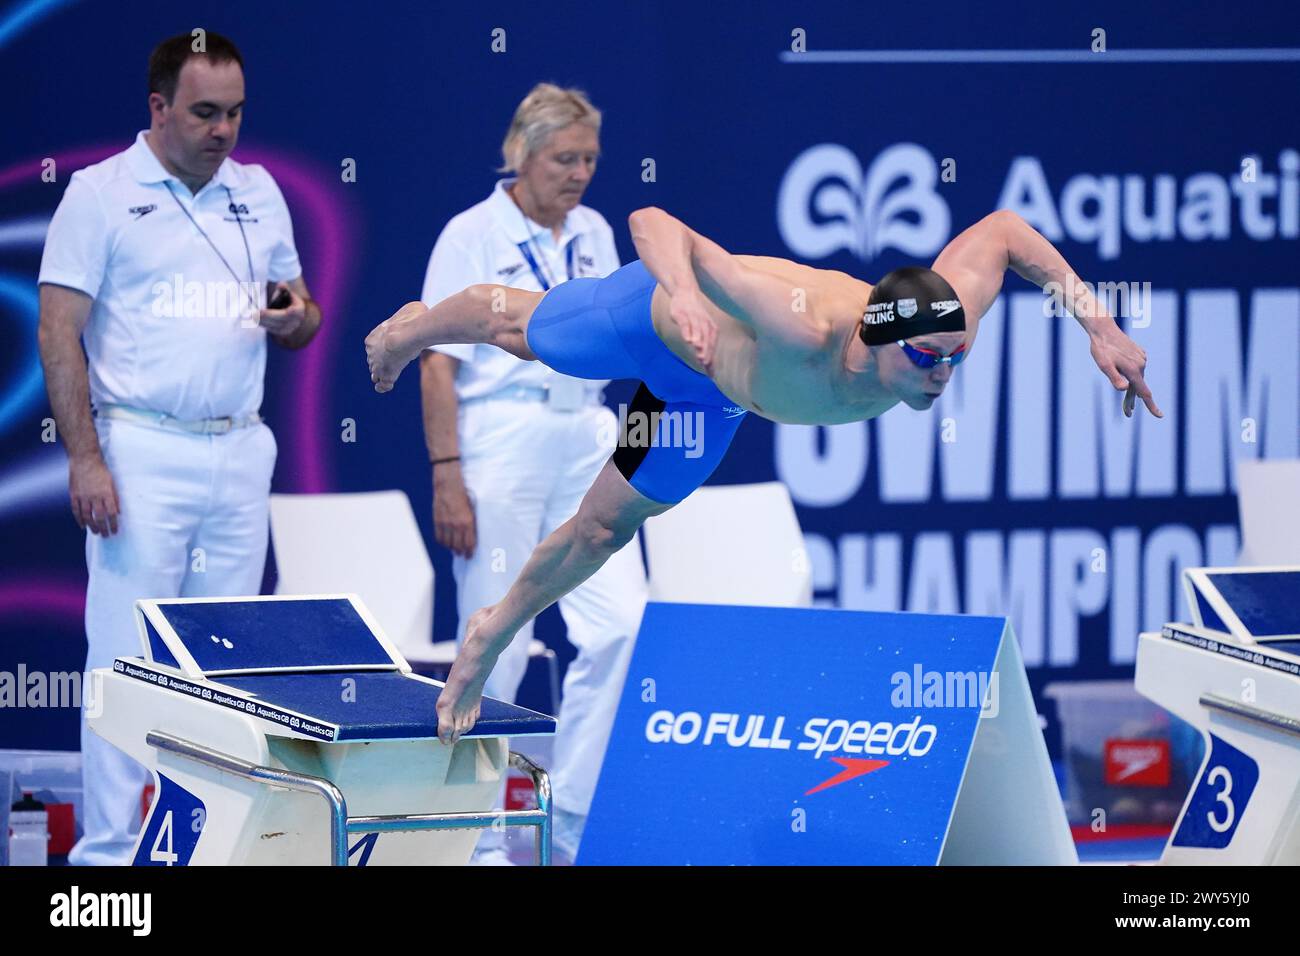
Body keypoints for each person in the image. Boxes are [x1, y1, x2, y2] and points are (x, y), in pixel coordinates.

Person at [365, 205, 1160, 743]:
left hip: (697, 405)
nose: (943, 372)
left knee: (605, 527)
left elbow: (1006, 231)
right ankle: (410, 330)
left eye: (957, 355)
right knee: (520, 330)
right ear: (876, 340)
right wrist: (682, 294)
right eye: (926, 357)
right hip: (655, 324)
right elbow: (652, 221)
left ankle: (490, 632)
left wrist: (1101, 325)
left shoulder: (943, 317)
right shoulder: (795, 318)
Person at [37, 32, 320, 864]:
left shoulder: (260, 191)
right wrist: (86, 458)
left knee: (220, 667)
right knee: (125, 659)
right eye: (204, 112)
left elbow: (300, 309)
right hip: (141, 451)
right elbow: (59, 332)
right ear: (157, 107)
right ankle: (106, 856)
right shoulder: (99, 193)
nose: (222, 129)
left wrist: (292, 316)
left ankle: (201, 845)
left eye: (234, 113)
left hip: (240, 451)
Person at [417, 83, 646, 863]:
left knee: (622, 626)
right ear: (522, 154)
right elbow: (436, 364)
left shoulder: (596, 231)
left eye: (589, 159)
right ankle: (473, 843)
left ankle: (573, 823)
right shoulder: (470, 233)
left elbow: (621, 343)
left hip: (587, 431)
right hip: (501, 436)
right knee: (498, 640)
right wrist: (448, 472)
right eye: (563, 158)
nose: (579, 173)